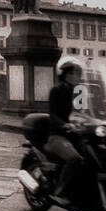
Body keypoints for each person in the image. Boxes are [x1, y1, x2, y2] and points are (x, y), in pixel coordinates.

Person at [43, 55, 86, 198]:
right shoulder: (56, 90)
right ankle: (61, 189)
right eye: (72, 73)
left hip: (75, 135)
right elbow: (53, 115)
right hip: (58, 135)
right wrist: (65, 125)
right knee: (75, 159)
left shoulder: (79, 92)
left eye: (77, 73)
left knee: (93, 156)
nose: (75, 76)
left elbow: (82, 112)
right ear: (64, 74)